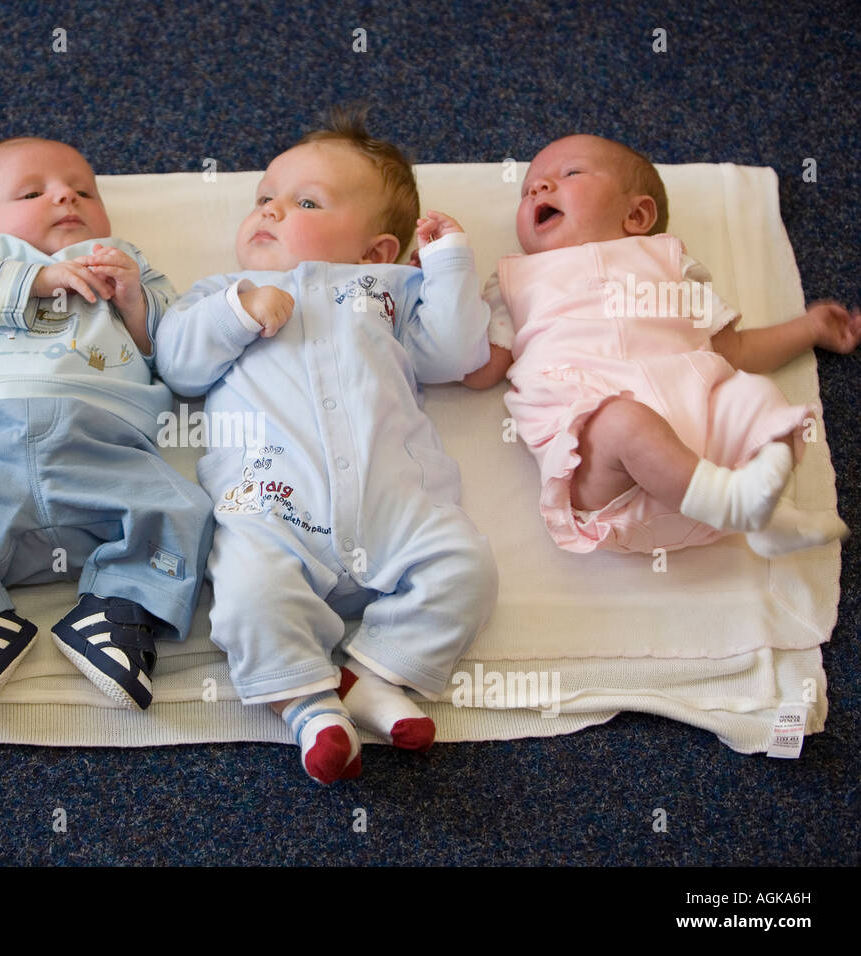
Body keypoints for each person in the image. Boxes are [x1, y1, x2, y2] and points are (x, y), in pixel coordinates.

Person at [155, 110, 499, 783]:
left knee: (468, 570)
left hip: (398, 508)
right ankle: (308, 706)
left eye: (304, 202)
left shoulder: (388, 292)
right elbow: (178, 366)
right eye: (264, 198)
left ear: (375, 252)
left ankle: (373, 676)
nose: (271, 210)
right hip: (273, 507)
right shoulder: (220, 293)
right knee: (249, 595)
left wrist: (450, 265)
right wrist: (237, 314)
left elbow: (457, 354)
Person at [0, 137, 213, 720]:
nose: (65, 195)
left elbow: (173, 353)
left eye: (84, 190)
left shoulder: (125, 261)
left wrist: (134, 300)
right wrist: (39, 279)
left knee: (185, 507)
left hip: (104, 452)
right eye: (33, 192)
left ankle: (115, 614)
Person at [462, 134, 855, 557]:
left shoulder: (672, 265)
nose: (537, 187)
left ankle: (766, 512)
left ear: (637, 214)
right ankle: (731, 503)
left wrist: (809, 329)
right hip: (608, 478)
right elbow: (482, 371)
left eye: (570, 173)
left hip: (700, 446)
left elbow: (733, 351)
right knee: (624, 422)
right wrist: (439, 289)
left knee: (756, 395)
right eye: (528, 189)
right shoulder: (513, 281)